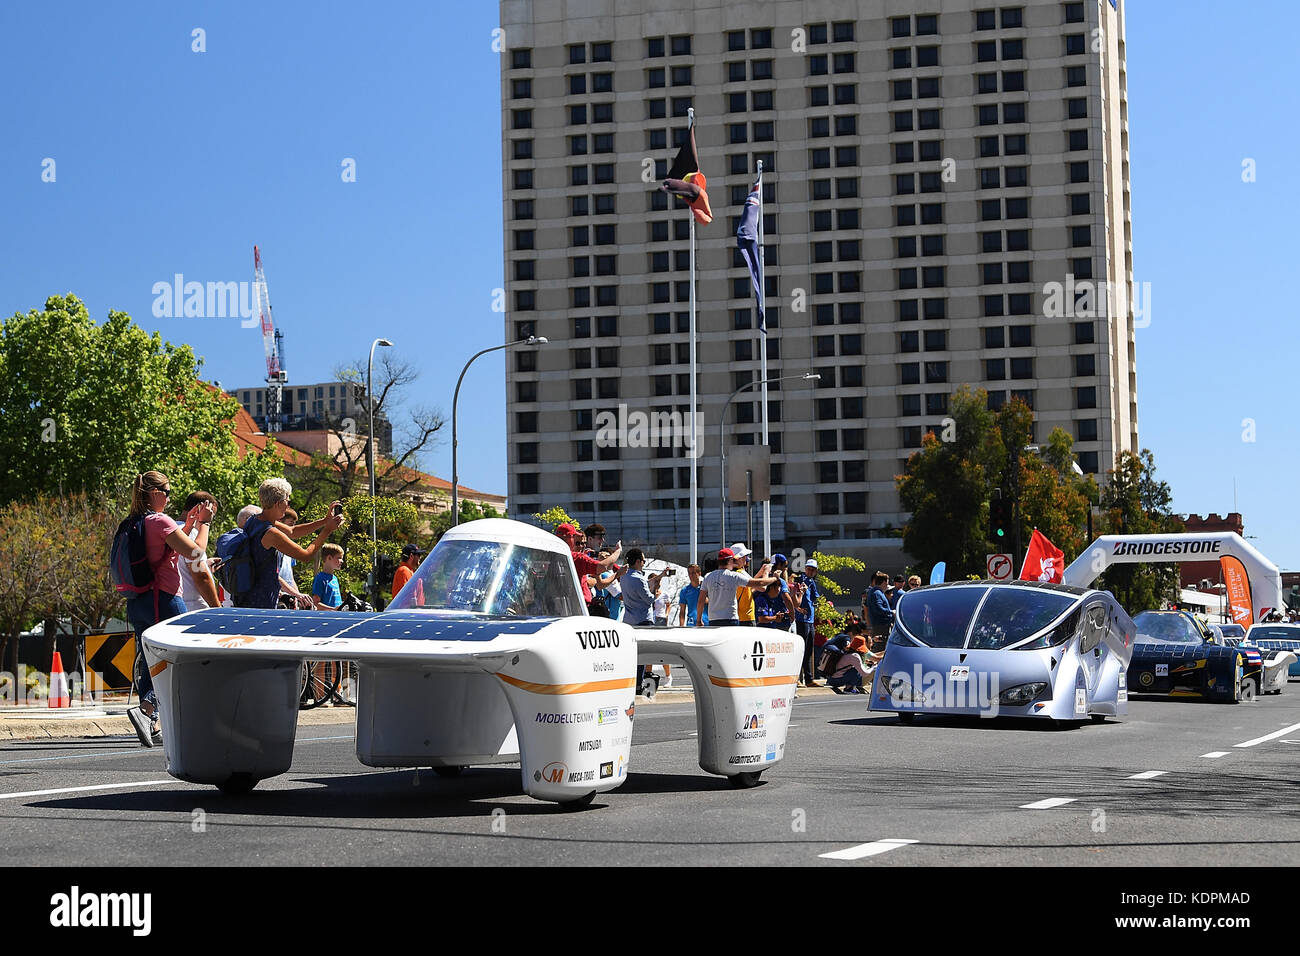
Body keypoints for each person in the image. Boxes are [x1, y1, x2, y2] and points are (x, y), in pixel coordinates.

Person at [123, 471, 213, 748]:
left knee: (150, 657)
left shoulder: (134, 522)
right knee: (179, 658)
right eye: (168, 492)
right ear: (155, 494)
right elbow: (195, 554)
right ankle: (149, 710)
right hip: (163, 599)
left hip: (138, 601)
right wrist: (204, 525)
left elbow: (164, 551)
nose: (170, 497)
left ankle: (149, 717)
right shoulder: (160, 521)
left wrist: (187, 526)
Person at [233, 479, 344, 608]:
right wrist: (327, 530)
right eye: (288, 501)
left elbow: (292, 531)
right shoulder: (270, 533)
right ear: (278, 503)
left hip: (247, 597)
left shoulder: (255, 519)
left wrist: (325, 521)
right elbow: (305, 555)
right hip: (260, 601)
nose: (288, 507)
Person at [698, 548, 779, 627]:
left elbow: (701, 601)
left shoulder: (708, 576)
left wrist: (699, 620)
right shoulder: (734, 576)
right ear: (730, 560)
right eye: (733, 560)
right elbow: (760, 584)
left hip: (713, 619)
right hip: (730, 618)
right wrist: (774, 578)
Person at [175, 490, 223, 612]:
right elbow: (201, 576)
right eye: (210, 515)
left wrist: (205, 565)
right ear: (200, 510)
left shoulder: (172, 531)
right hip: (193, 609)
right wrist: (217, 609)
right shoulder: (191, 534)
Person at [555, 523, 621, 608]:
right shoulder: (578, 558)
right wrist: (618, 551)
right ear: (568, 538)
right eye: (577, 542)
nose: (581, 546)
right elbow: (602, 569)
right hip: (580, 606)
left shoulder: (551, 556)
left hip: (564, 606)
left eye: (583, 543)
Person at [796, 558, 822, 686]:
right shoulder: (801, 580)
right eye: (809, 569)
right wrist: (798, 609)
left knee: (809, 650)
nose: (811, 571)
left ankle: (808, 678)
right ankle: (801, 678)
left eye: (813, 570)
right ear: (805, 569)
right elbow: (794, 596)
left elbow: (815, 598)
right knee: (803, 649)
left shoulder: (811, 582)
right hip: (803, 619)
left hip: (810, 620)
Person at [861, 570, 894, 652]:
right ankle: (879, 664)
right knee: (881, 649)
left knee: (881, 648)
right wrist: (891, 612)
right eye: (886, 582)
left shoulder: (876, 592)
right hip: (881, 626)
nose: (887, 585)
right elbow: (878, 608)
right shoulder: (876, 593)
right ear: (883, 582)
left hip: (880, 625)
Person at [730, 543, 758, 626]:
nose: (746, 559)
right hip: (746, 616)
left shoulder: (729, 573)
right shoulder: (741, 573)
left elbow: (751, 585)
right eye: (745, 556)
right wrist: (766, 572)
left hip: (734, 616)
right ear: (740, 558)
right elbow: (762, 587)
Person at [312, 544, 345, 610]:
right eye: (339, 558)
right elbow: (315, 603)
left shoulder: (335, 578)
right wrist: (333, 609)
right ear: (329, 558)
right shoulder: (320, 578)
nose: (342, 561)